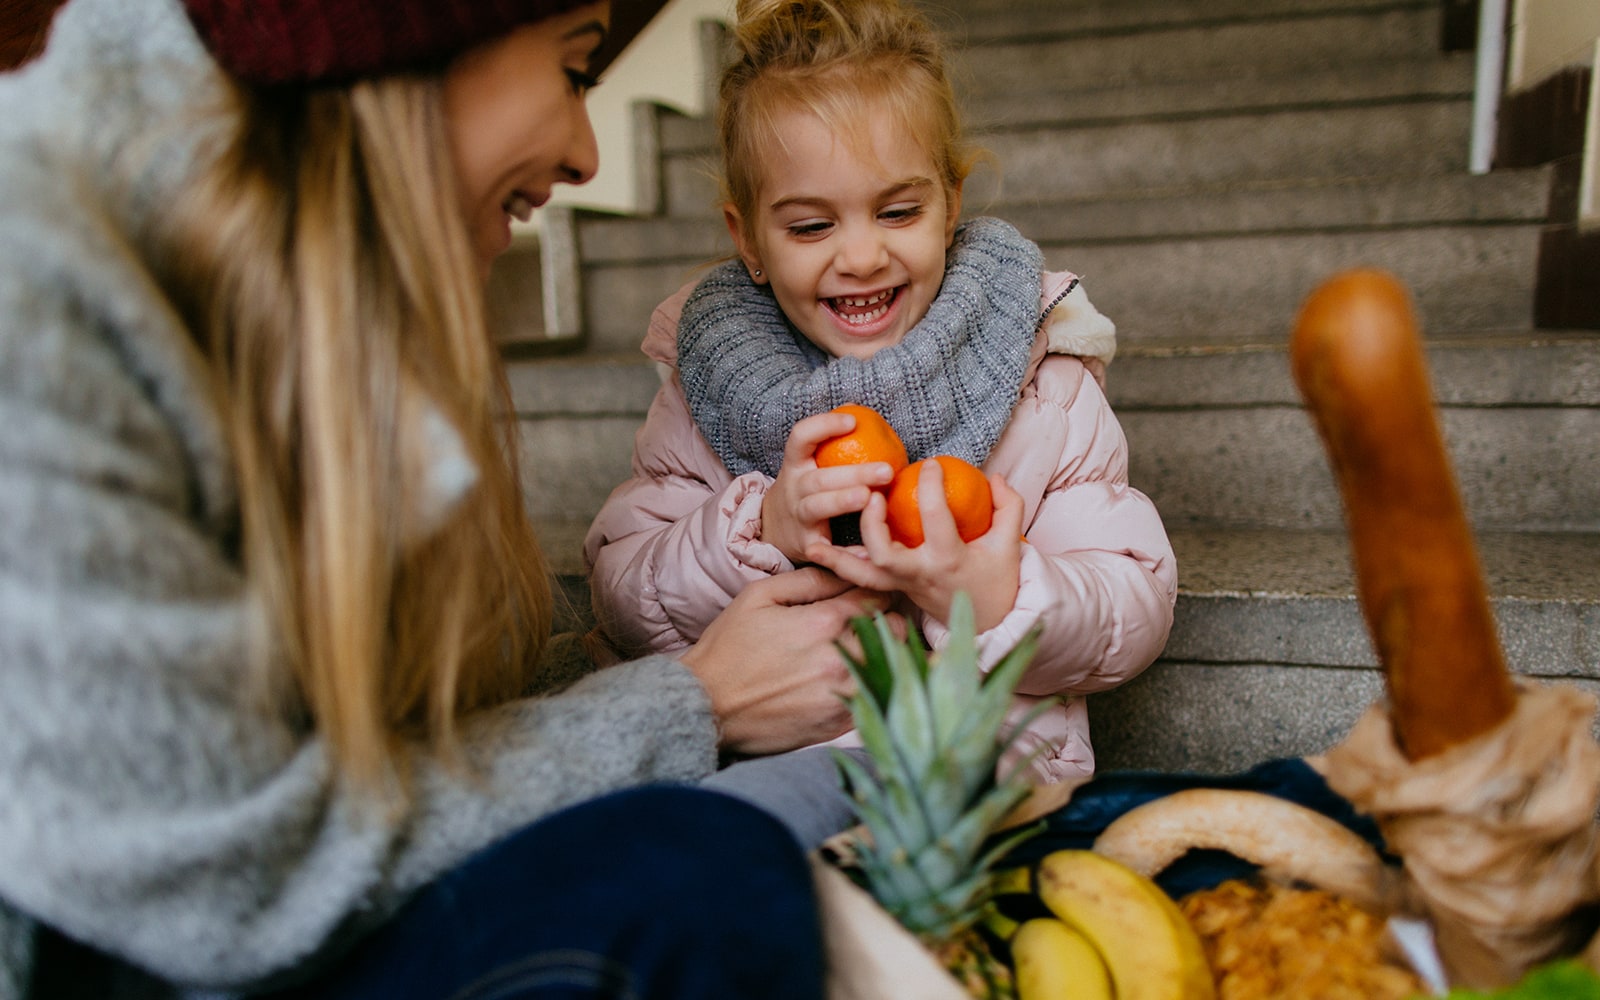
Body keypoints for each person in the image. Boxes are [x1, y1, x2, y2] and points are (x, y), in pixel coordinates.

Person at [0, 0, 891, 996]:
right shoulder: (30, 286)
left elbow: (418, 720)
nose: (586, 154)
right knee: (699, 871)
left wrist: (685, 673)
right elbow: (221, 882)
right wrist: (697, 699)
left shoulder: (291, 286)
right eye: (575, 70)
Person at [584, 0, 1179, 785]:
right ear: (748, 240)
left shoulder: (1041, 381)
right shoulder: (711, 389)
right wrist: (759, 530)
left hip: (973, 786)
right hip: (773, 772)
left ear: (950, 204)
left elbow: (1132, 604)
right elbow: (626, 598)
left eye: (898, 212)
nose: (862, 256)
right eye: (809, 227)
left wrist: (999, 593)